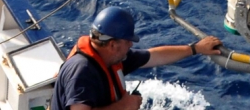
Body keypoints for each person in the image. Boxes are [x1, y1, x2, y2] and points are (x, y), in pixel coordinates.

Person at [53, 7, 223, 110]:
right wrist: (123, 106)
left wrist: (195, 49)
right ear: (112, 44)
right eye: (128, 41)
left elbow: (154, 56)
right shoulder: (82, 72)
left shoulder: (112, 56)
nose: (131, 45)